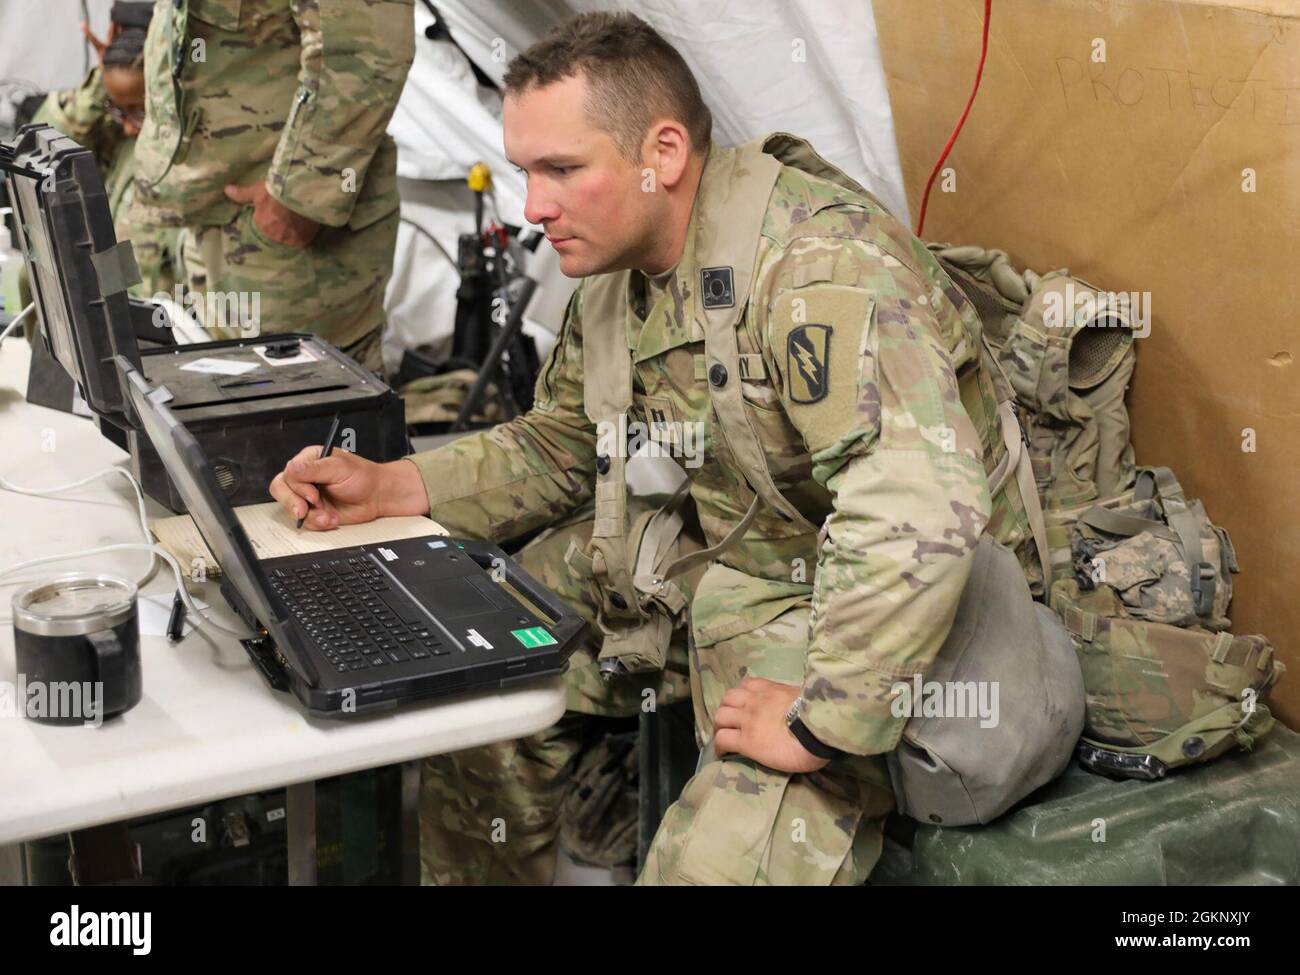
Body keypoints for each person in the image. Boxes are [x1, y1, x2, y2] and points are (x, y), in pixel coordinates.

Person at [269, 12, 1036, 885]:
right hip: (754, 555)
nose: (534, 206)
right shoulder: (616, 272)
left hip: (899, 605)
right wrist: (395, 486)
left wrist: (824, 719)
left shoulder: (816, 263)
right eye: (526, 171)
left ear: (662, 154)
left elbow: (915, 509)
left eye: (562, 169)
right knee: (479, 670)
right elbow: (562, 441)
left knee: (712, 865)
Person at [128, 0, 416, 373]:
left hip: (290, 241)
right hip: (217, 224)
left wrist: (293, 202)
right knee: (225, 409)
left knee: (303, 410)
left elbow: (364, 47)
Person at [28, 3, 177, 298]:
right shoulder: (112, 127)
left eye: (138, 111)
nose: (128, 128)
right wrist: (105, 77)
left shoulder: (183, 138)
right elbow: (41, 153)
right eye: (119, 110)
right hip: (118, 276)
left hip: (169, 300)